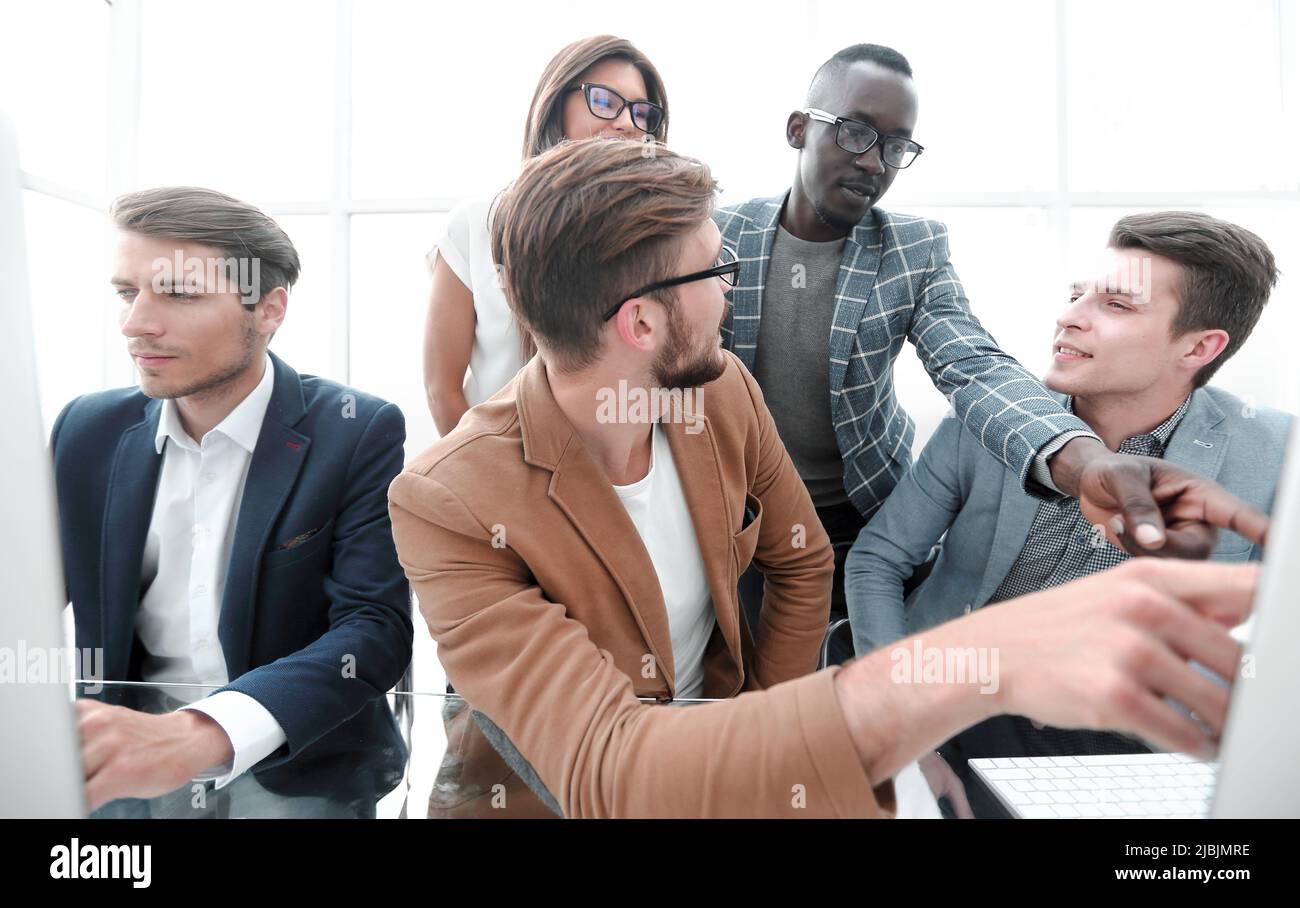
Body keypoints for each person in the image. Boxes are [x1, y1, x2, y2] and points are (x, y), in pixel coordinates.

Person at [388, 137, 1268, 818]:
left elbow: (803, 559)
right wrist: (978, 662)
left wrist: (771, 739)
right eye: (716, 270)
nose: (734, 290)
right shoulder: (447, 501)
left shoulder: (720, 390)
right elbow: (612, 768)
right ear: (641, 323)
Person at [713, 43, 1197, 664]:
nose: (874, 162)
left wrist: (1079, 458)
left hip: (857, 516)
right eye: (857, 132)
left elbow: (973, 364)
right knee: (751, 693)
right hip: (741, 514)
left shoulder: (912, 248)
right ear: (799, 129)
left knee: (844, 698)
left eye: (896, 146)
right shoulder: (720, 236)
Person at [845, 210, 1288, 816]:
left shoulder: (1274, 453)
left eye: (1116, 305)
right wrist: (900, 733)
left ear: (1199, 346)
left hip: (1147, 748)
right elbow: (878, 560)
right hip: (965, 717)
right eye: (1076, 294)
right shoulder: (991, 421)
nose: (1070, 316)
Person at [51, 187, 413, 813]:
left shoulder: (357, 429)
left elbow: (373, 630)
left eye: (179, 293)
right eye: (126, 293)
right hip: (125, 768)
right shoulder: (87, 429)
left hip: (297, 764)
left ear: (269, 308)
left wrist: (201, 735)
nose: (136, 323)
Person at [422, 34, 669, 436]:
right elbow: (441, 389)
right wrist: (484, 482)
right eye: (605, 101)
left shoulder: (663, 234)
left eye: (642, 113)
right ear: (556, 106)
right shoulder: (475, 223)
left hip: (620, 475)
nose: (627, 123)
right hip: (501, 472)